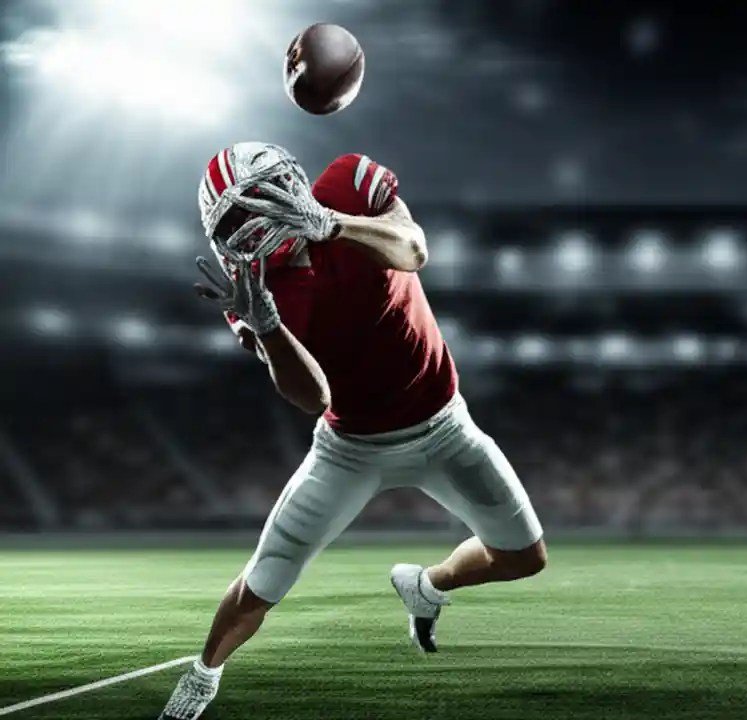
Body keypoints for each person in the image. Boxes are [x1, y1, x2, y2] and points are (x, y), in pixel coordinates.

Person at [159, 142, 547, 720]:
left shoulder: (346, 185)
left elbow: (413, 250)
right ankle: (201, 678)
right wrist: (265, 324)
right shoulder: (254, 289)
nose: (249, 230)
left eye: (253, 208)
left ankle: (427, 586)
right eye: (234, 223)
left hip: (444, 425)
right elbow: (314, 397)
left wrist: (333, 226)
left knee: (524, 558)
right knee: (264, 578)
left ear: (287, 186)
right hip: (350, 449)